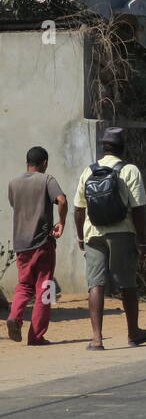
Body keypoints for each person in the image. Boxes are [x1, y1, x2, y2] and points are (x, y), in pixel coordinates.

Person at [73, 127, 146, 350]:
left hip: (93, 234)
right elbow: (139, 209)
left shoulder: (87, 171)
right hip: (122, 232)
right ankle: (134, 333)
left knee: (95, 285)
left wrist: (81, 237)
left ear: (103, 148)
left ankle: (97, 339)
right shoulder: (129, 170)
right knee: (127, 283)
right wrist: (143, 241)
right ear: (122, 148)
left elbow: (79, 209)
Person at [6, 146, 66, 345]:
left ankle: (14, 316)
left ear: (27, 163)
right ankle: (36, 336)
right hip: (42, 243)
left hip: (21, 244)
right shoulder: (47, 180)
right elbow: (61, 200)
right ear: (45, 163)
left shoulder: (13, 184)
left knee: (24, 285)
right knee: (45, 288)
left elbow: (16, 206)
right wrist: (61, 222)